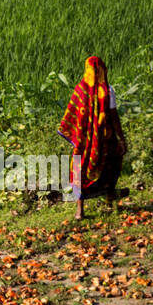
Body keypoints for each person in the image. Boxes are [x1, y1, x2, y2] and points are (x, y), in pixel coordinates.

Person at [59, 55, 128, 220]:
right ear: (103, 71)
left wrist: (77, 135)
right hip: (104, 139)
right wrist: (122, 138)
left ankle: (79, 211)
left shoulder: (79, 90)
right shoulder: (108, 90)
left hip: (83, 142)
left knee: (79, 170)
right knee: (111, 165)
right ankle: (109, 201)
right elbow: (113, 117)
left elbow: (73, 114)